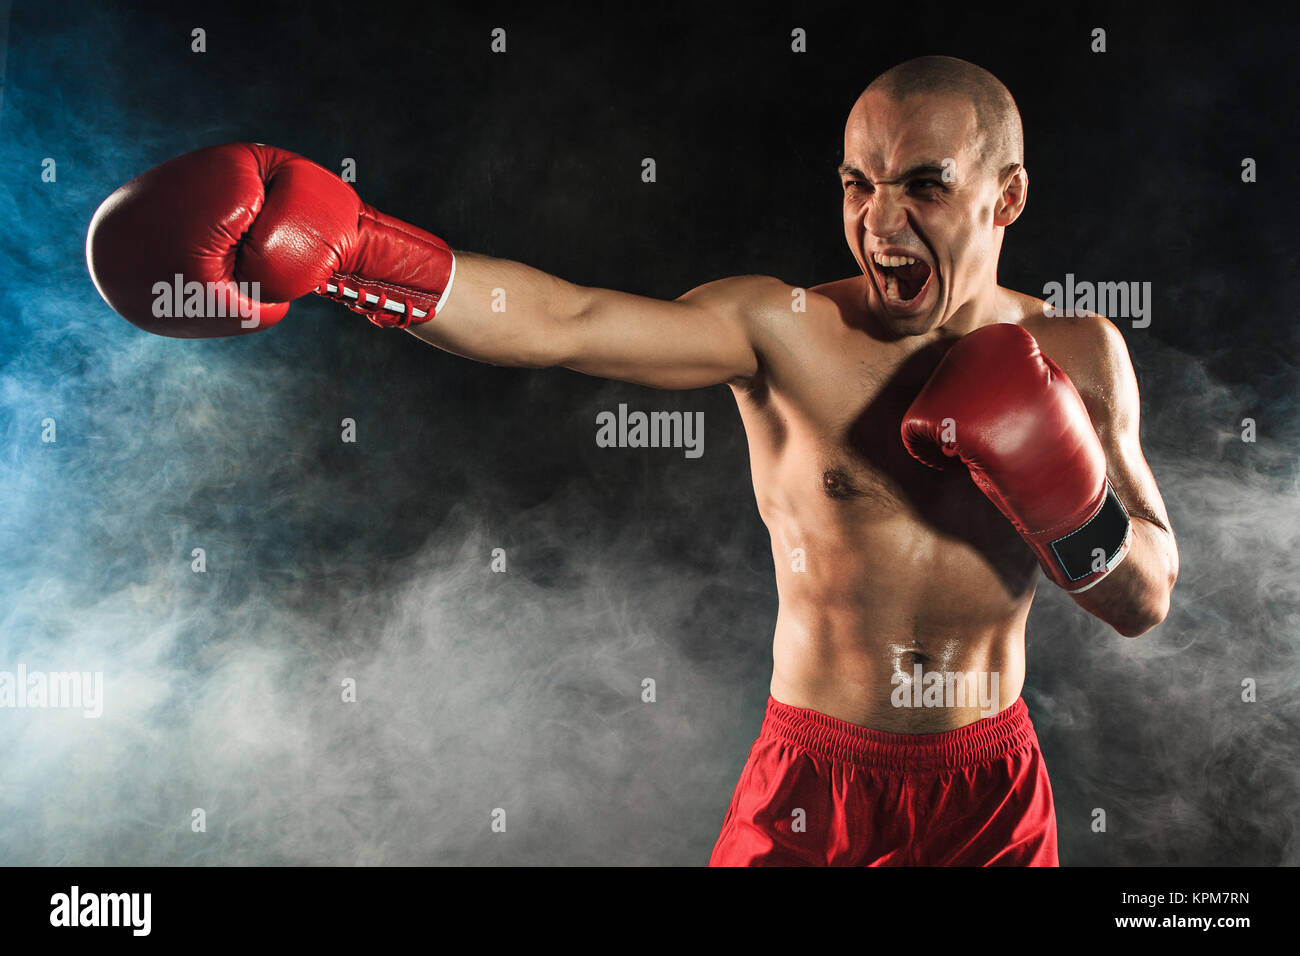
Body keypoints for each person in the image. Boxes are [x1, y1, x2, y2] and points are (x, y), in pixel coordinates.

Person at [86, 55, 1179, 866]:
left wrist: (1067, 496)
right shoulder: (781, 327)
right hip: (814, 777)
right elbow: (565, 319)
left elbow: (1144, 598)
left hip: (985, 790)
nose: (878, 222)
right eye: (856, 183)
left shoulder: (1079, 351)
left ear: (1007, 196)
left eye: (922, 186)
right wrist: (362, 252)